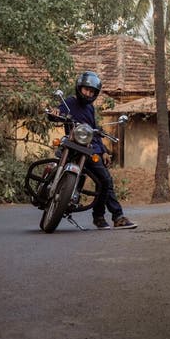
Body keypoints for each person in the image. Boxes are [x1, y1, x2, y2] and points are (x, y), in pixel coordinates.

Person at [58, 71, 137, 230]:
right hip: (72, 145)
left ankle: (109, 217)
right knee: (56, 160)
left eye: (92, 91)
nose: (88, 93)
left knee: (105, 180)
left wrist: (104, 151)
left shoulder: (90, 109)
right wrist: (54, 114)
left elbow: (95, 131)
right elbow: (57, 112)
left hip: (90, 150)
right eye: (86, 89)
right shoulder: (69, 102)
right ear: (79, 88)